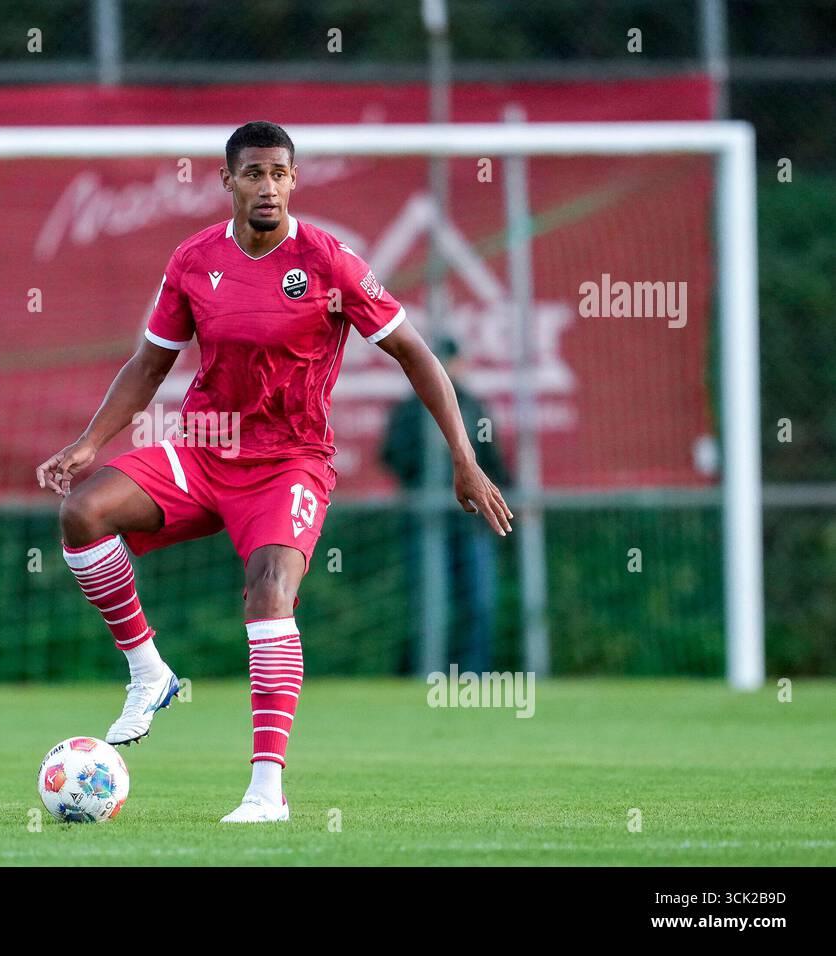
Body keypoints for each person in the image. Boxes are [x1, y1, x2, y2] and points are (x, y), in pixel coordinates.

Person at [35, 122, 512, 823]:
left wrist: (465, 462)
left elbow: (416, 353)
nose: (268, 186)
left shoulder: (330, 263)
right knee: (83, 513)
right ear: (228, 182)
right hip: (203, 449)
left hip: (289, 463)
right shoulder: (194, 260)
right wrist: (89, 443)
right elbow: (149, 363)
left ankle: (266, 792)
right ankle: (147, 670)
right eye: (253, 173)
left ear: (294, 180)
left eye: (280, 173)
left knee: (268, 592)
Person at [380, 337, 511, 675]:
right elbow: (391, 455)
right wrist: (427, 471)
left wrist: (506, 494)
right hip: (425, 523)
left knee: (478, 603)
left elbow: (492, 459)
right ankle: (426, 673)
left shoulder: (472, 406)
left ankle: (473, 675)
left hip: (470, 522)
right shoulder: (410, 409)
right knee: (428, 605)